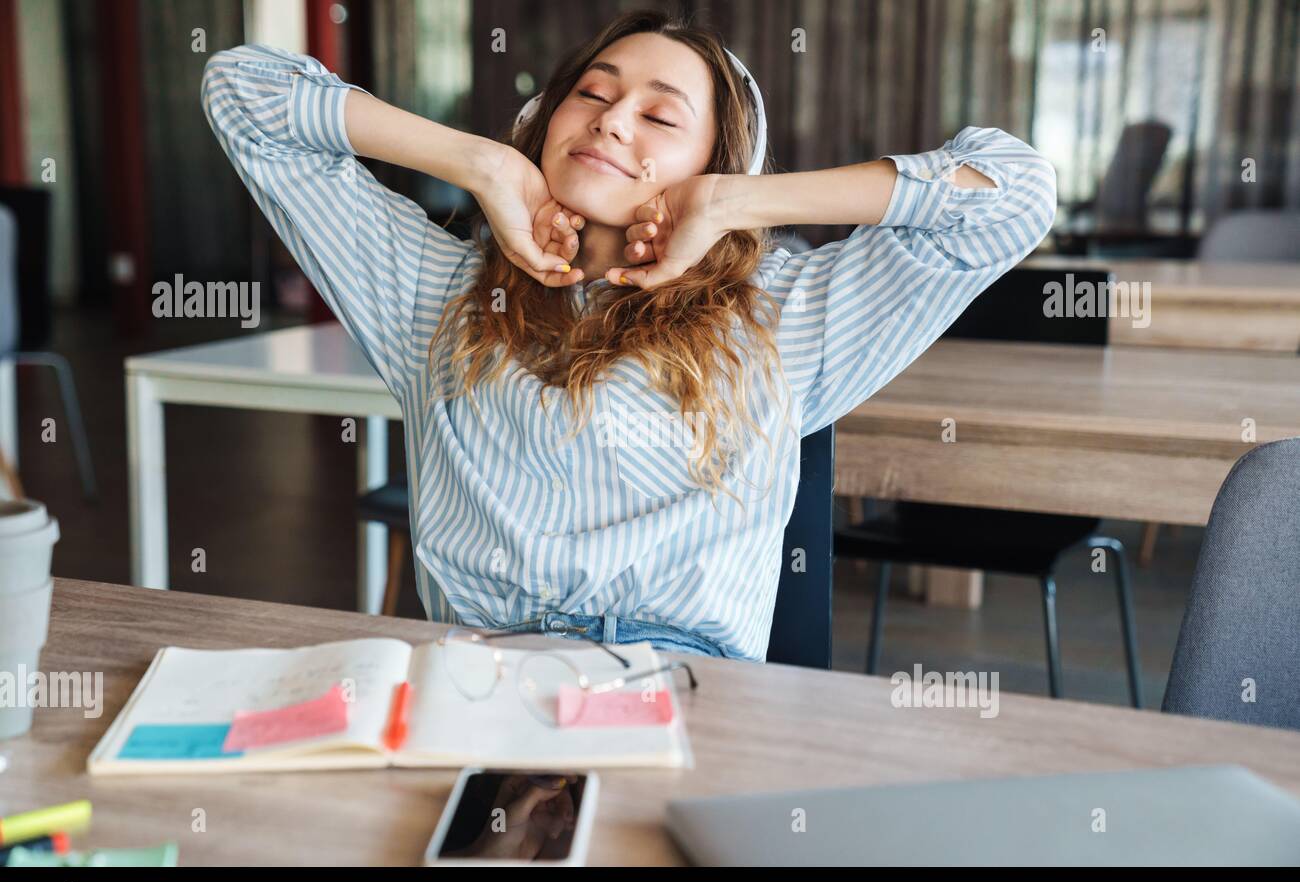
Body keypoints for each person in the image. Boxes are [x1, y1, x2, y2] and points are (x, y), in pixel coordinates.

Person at [201, 9, 1056, 662]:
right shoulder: (433, 289)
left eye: (662, 117)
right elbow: (243, 90)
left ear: (715, 164)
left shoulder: (784, 315)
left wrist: (740, 204)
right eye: (594, 95)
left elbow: (1015, 192)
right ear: (545, 118)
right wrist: (483, 163)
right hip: (484, 678)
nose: (612, 122)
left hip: (687, 687)